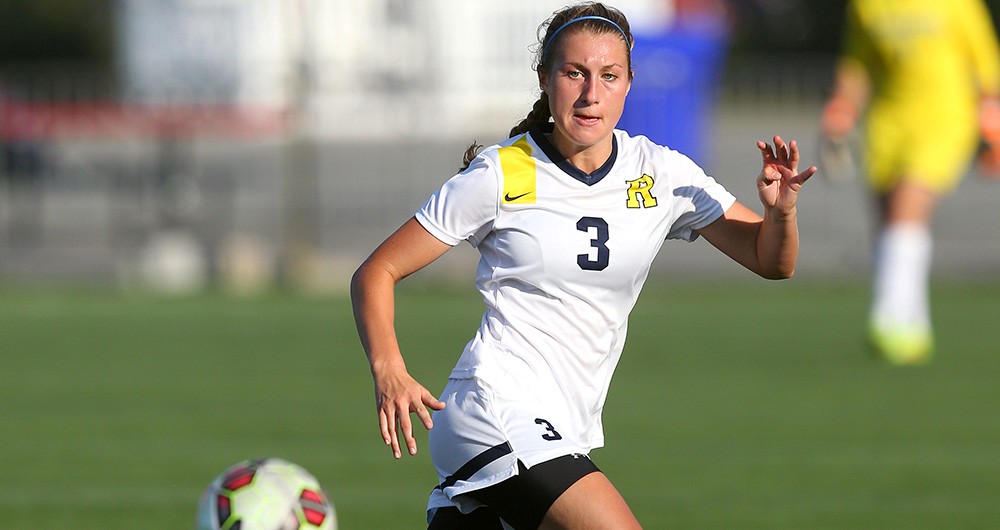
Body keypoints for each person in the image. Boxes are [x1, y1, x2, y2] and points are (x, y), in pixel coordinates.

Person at [352, 3, 816, 528]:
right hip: (493, 409)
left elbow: (770, 260)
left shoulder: (661, 172)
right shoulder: (503, 173)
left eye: (608, 76)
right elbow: (376, 271)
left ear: (628, 84)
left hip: (563, 428)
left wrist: (782, 214)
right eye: (574, 73)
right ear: (545, 79)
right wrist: (389, 370)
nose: (591, 93)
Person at [820, 0, 1000, 366]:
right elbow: (857, 63)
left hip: (944, 116)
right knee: (889, 223)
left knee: (908, 206)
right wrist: (841, 112)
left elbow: (985, 62)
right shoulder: (866, 6)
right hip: (888, 122)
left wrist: (992, 125)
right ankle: (915, 328)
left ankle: (890, 320)